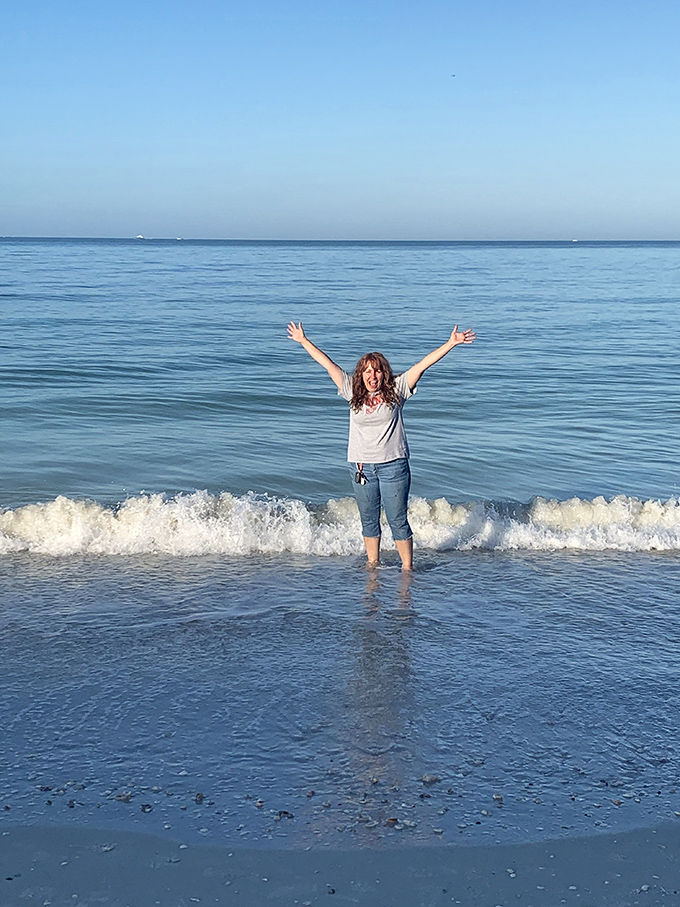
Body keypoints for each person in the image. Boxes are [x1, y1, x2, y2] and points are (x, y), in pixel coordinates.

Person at [287, 321, 476, 570]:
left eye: (376, 371)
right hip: (361, 468)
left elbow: (423, 365)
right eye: (367, 371)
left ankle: (407, 569)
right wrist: (303, 340)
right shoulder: (351, 391)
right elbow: (328, 365)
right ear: (361, 374)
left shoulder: (397, 389)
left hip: (393, 466)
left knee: (398, 520)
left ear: (384, 374)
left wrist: (451, 343)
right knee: (368, 521)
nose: (372, 376)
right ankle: (373, 565)